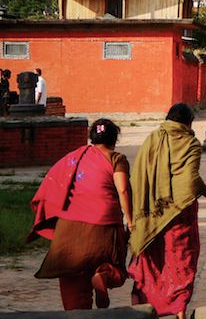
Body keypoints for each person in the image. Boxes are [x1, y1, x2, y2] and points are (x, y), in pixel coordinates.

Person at [28, 119, 132, 310]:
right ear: (114, 139)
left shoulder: (73, 158)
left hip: (69, 230)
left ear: (91, 138)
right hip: (104, 227)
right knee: (116, 268)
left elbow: (50, 187)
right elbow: (123, 189)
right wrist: (131, 221)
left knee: (72, 287)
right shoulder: (116, 158)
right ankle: (104, 273)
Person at [129, 103, 206, 319]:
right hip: (180, 212)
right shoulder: (191, 142)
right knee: (181, 262)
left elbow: (138, 175)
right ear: (189, 123)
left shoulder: (153, 138)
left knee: (154, 260)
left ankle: (147, 307)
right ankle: (179, 310)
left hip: (152, 212)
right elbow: (191, 181)